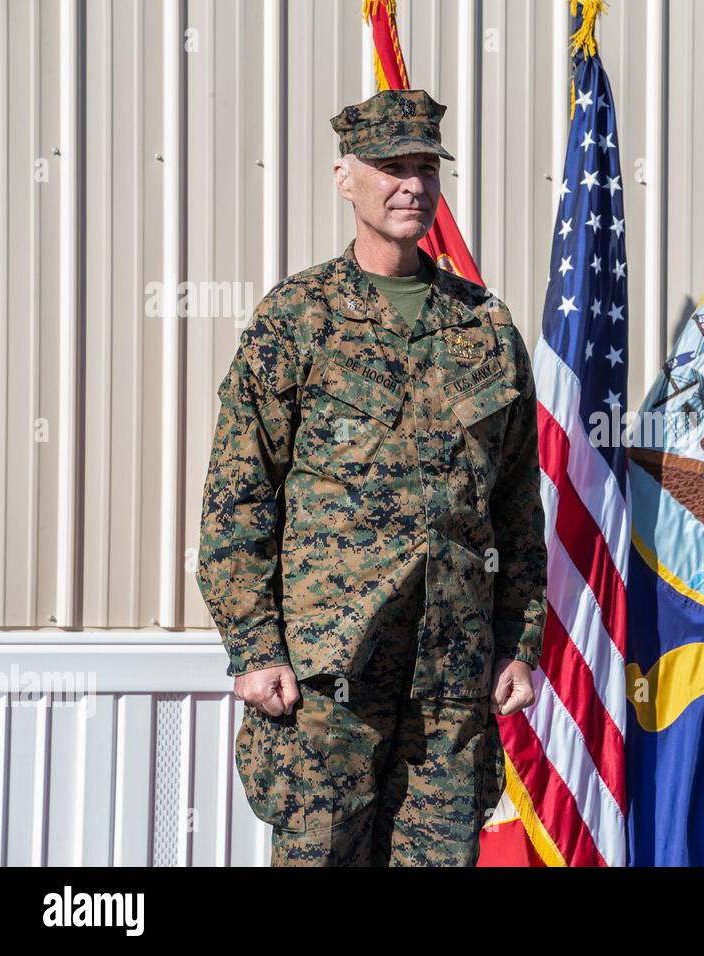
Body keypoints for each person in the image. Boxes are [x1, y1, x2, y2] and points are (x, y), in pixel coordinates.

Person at [196, 89, 546, 866]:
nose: (410, 186)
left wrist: (519, 642)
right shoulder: (298, 318)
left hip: (451, 678)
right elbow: (238, 492)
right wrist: (255, 645)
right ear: (344, 177)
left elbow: (518, 504)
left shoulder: (485, 326)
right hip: (330, 669)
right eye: (390, 167)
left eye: (425, 166)